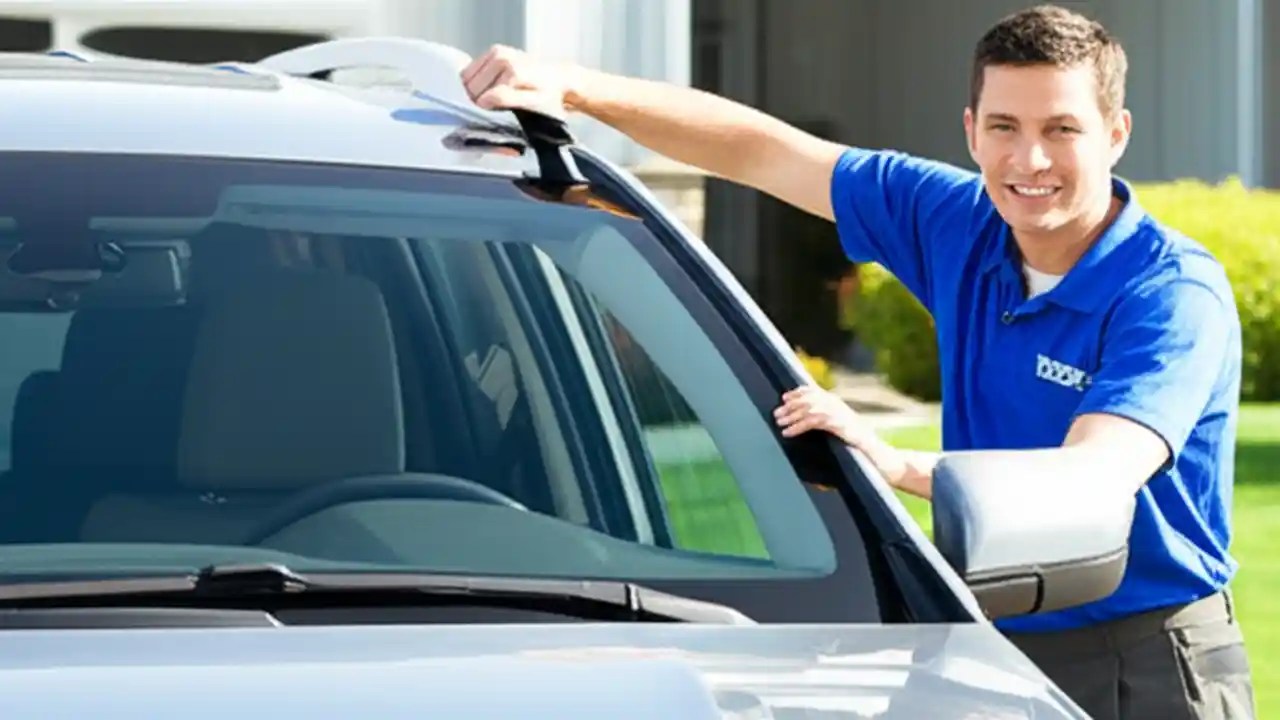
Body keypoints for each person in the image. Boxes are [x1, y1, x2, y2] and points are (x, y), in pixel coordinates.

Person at [460, 4, 1255, 718]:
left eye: (1063, 129)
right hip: (990, 635)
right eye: (1006, 127)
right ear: (972, 129)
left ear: (1115, 134)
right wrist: (574, 90)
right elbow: (760, 151)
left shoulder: (1171, 293)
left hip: (1144, 660)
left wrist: (896, 464)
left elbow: (1092, 477)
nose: (1030, 160)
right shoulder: (957, 219)